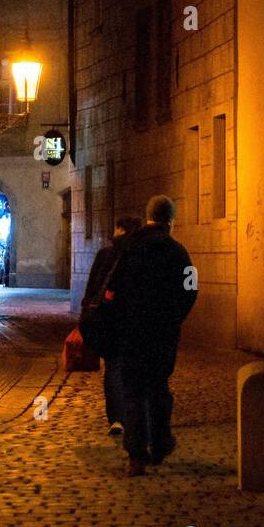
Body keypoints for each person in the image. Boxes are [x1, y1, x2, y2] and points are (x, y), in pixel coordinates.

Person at [110, 194, 198, 477]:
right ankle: (161, 443)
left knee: (133, 391)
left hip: (131, 332)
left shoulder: (129, 248)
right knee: (159, 387)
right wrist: (175, 317)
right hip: (163, 332)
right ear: (170, 221)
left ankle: (137, 454)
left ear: (148, 217)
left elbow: (114, 287)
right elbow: (191, 288)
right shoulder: (178, 252)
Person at [81, 216, 142, 435]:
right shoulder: (140, 255)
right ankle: (135, 414)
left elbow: (92, 287)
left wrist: (86, 310)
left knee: (113, 366)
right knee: (134, 367)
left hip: (107, 319)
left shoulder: (105, 253)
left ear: (119, 229)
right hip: (133, 320)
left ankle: (117, 417)